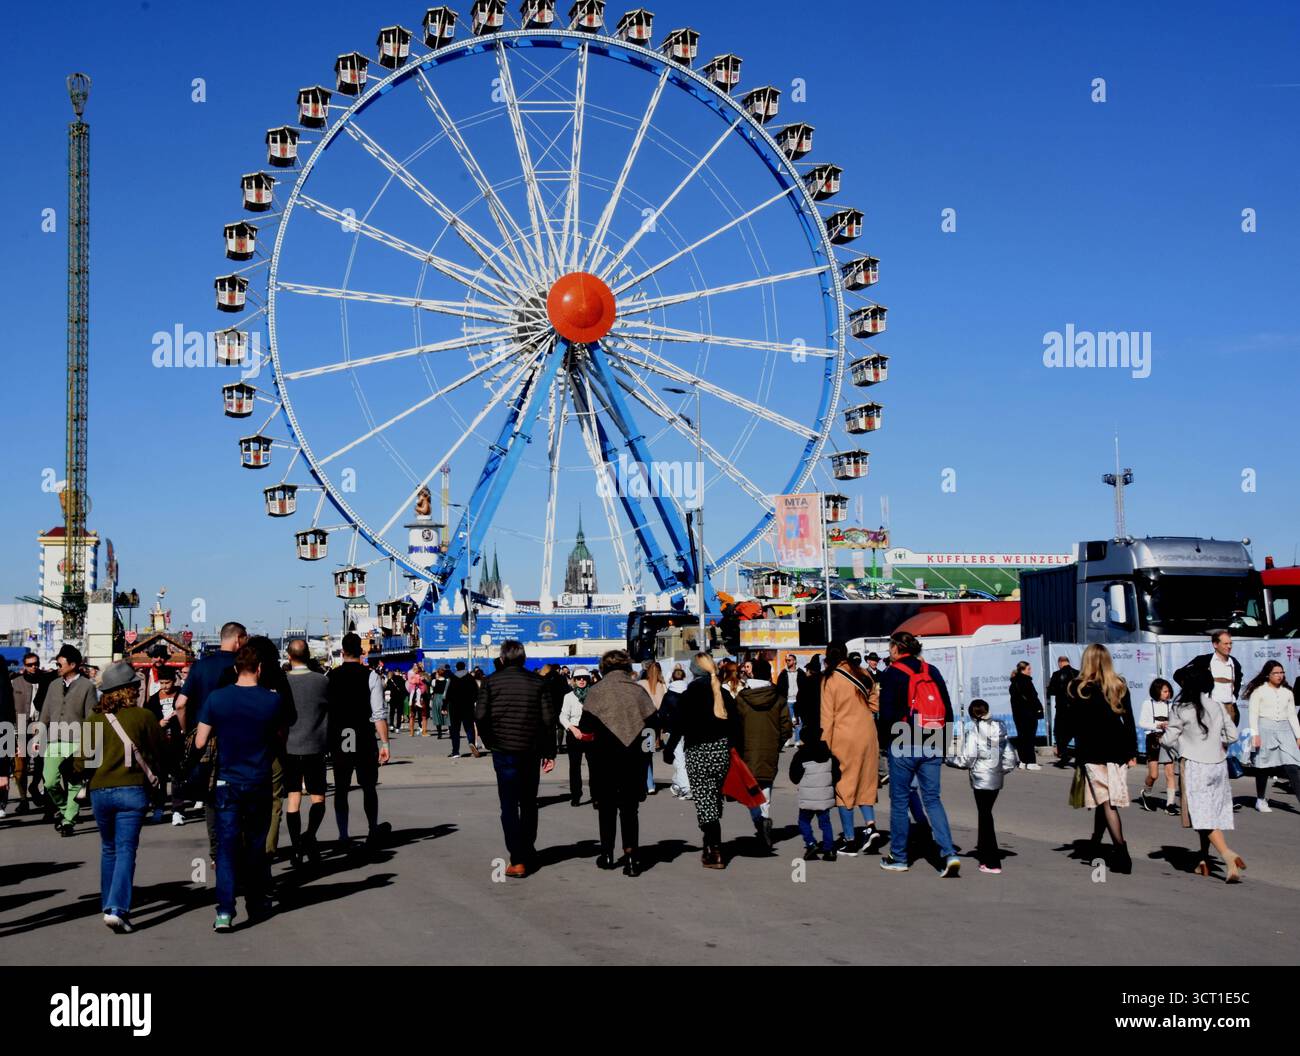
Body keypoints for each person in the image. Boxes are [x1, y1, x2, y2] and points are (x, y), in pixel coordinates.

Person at [195, 643, 292, 931]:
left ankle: (225, 911)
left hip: (227, 780)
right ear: (260, 669)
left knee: (226, 848)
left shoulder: (217, 699)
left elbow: (200, 742)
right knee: (255, 845)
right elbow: (281, 739)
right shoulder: (272, 701)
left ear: (236, 668)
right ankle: (256, 901)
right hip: (259, 779)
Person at [72, 661, 163, 933]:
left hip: (100, 791)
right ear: (128, 690)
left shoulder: (95, 720)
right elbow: (160, 752)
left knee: (108, 848)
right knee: (125, 849)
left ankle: (106, 902)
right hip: (133, 789)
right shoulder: (143, 717)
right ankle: (117, 908)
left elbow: (82, 763)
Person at [876, 631, 961, 876]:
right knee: (933, 799)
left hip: (904, 738)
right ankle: (948, 853)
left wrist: (885, 744)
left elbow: (887, 713)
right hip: (933, 736)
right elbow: (947, 706)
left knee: (900, 801)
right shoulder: (931, 670)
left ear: (895, 649)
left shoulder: (892, 674)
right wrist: (945, 741)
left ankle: (899, 857)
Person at [476, 640, 556, 878]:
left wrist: (491, 741)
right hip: (530, 750)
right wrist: (548, 752)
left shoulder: (490, 682)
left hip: (503, 750)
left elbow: (480, 715)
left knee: (509, 805)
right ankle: (528, 848)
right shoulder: (538, 682)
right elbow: (549, 721)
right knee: (530, 802)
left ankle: (518, 858)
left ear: (502, 658)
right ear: (523, 658)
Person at [1057, 643, 1138, 874]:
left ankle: (1121, 851)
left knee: (1106, 801)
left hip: (1092, 749)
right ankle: (1096, 842)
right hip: (1117, 748)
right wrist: (1132, 751)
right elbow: (1129, 720)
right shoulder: (1118, 685)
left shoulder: (1079, 687)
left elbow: (1069, 719)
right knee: (1106, 800)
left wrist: (1062, 743)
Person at [578, 649, 659, 876]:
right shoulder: (638, 691)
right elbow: (652, 725)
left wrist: (591, 750)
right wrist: (646, 755)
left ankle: (607, 854)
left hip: (603, 759)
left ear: (603, 668)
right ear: (627, 667)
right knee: (629, 810)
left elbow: (585, 728)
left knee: (606, 809)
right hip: (633, 759)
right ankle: (632, 857)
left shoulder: (596, 691)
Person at [1163, 667, 1245, 882]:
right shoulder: (1217, 705)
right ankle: (1203, 859)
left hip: (1194, 765)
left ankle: (1228, 855)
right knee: (1209, 813)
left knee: (1201, 816)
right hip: (1218, 765)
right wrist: (1218, 744)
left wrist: (1163, 739)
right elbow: (1233, 735)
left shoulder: (1180, 708)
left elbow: (1169, 739)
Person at [175, 621, 247, 859]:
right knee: (238, 794)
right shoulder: (243, 667)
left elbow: (180, 704)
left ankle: (217, 851)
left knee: (211, 796)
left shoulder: (200, 666)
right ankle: (238, 848)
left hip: (204, 740)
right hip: (238, 741)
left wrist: (188, 732)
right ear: (239, 639)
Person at [664, 653, 736, 869]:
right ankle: (709, 841)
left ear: (693, 672)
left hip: (698, 753)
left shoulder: (689, 695)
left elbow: (678, 726)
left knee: (704, 801)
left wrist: (668, 750)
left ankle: (715, 850)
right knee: (713, 798)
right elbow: (736, 724)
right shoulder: (723, 693)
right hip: (721, 752)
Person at [326, 633, 392, 851]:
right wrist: (385, 744)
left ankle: (343, 834)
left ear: (342, 651)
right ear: (361, 652)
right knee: (368, 786)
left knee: (342, 788)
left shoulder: (331, 677)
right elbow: (378, 713)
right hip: (363, 736)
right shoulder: (371, 676)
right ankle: (372, 828)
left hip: (341, 737)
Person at [819, 642, 884, 856]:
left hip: (844, 736)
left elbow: (827, 717)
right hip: (868, 732)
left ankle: (849, 839)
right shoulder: (863, 672)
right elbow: (875, 703)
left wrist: (824, 746)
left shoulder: (830, 679)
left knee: (843, 786)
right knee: (866, 783)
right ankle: (871, 826)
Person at [734, 657, 792, 853]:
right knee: (765, 787)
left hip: (747, 750)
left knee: (750, 790)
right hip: (770, 750)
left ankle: (760, 821)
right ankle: (764, 820)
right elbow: (786, 728)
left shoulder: (742, 698)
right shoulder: (778, 698)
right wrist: (777, 743)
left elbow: (735, 724)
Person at [42, 644, 98, 835]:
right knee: (49, 781)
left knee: (74, 783)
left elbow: (92, 716)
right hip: (54, 740)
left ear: (73, 664)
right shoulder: (53, 685)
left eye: (60, 664)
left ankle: (69, 821)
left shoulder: (87, 687)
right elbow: (45, 714)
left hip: (77, 740)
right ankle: (65, 810)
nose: (57, 667)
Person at [954, 699, 1015, 873]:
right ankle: (984, 853)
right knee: (985, 814)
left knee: (985, 816)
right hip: (995, 778)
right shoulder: (1000, 727)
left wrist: (948, 760)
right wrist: (1000, 770)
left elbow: (967, 758)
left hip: (981, 779)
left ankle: (992, 860)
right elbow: (1010, 756)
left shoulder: (974, 731)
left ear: (972, 715)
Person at [284, 639, 329, 867]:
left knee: (293, 798)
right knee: (318, 797)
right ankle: (310, 835)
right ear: (309, 654)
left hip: (290, 748)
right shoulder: (322, 681)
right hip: (316, 746)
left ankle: (295, 847)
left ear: (288, 655)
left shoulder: (283, 682)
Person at [1245, 660, 1300, 812]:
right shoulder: (1259, 691)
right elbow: (1253, 714)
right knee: (1263, 767)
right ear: (1268, 675)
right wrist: (1255, 734)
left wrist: (1298, 736)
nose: (1279, 675)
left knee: (1293, 766)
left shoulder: (1288, 693)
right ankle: (1261, 799)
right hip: (1265, 728)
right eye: (1276, 673)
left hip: (1285, 730)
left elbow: (1292, 715)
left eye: (1281, 672)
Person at [8, 653, 51, 815]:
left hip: (41, 727)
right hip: (20, 727)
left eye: (35, 664)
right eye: (29, 664)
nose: (33, 667)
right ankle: (23, 799)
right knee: (21, 765)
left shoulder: (46, 680)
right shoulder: (15, 681)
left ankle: (38, 789)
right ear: (24, 665)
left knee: (43, 763)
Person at [143, 666, 186, 825]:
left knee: (177, 778)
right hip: (159, 745)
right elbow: (147, 722)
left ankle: (178, 810)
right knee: (159, 779)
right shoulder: (153, 700)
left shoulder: (182, 695)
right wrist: (159, 724)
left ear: (174, 681)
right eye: (161, 683)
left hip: (177, 743)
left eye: (167, 683)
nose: (164, 686)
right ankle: (159, 809)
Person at [1174, 630, 1243, 725]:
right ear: (1215, 644)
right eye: (1225, 644)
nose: (1229, 646)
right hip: (1209, 709)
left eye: (1230, 643)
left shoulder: (1234, 662)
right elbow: (1178, 675)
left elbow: (1238, 682)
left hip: (1229, 709)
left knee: (1230, 738)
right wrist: (1194, 692)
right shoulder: (1203, 660)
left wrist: (1234, 697)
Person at [789, 734, 839, 861]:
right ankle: (829, 850)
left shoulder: (801, 755)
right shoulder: (829, 755)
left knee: (804, 821)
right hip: (824, 796)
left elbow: (794, 777)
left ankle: (811, 843)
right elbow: (837, 775)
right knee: (825, 823)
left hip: (808, 797)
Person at [1137, 677, 1180, 815]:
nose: (1168, 694)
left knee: (1170, 772)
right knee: (1154, 774)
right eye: (1165, 691)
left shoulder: (1171, 705)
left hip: (1168, 740)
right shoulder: (1148, 704)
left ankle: (1170, 804)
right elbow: (1142, 723)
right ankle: (1146, 792)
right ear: (1157, 691)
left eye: (1168, 691)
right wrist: (1158, 725)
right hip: (1153, 739)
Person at [560, 667, 591, 806]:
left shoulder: (593, 695)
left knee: (595, 765)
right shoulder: (569, 696)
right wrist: (572, 729)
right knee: (574, 766)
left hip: (591, 732)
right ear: (574, 680)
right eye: (579, 678)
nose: (582, 680)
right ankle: (576, 795)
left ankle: (596, 794)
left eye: (584, 677)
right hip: (574, 732)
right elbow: (563, 716)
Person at [638, 660, 667, 794]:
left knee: (643, 754)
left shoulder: (641, 684)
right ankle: (649, 783)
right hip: (656, 722)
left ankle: (647, 782)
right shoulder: (662, 685)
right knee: (648, 753)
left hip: (644, 722)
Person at [662, 666, 691, 799]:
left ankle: (686, 787)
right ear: (684, 677)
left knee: (678, 759)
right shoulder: (690, 693)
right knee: (684, 759)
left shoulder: (668, 695)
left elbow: (662, 714)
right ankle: (678, 784)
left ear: (672, 678)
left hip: (672, 730)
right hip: (688, 729)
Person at [1009, 660, 1044, 770]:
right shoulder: (1026, 681)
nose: (1030, 671)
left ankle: (1023, 761)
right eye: (1029, 669)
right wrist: (1037, 709)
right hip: (1029, 714)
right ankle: (1031, 762)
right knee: (1029, 738)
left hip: (1018, 715)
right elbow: (1033, 698)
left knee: (1022, 737)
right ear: (1022, 670)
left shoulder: (1013, 683)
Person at [1046, 655, 1079, 767]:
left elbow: (1051, 691)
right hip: (1076, 709)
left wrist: (1050, 688)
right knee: (1076, 733)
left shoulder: (1056, 675)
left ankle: (1064, 755)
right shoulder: (1077, 673)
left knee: (1059, 733)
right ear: (1068, 662)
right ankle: (1079, 759)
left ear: (1060, 663)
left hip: (1062, 709)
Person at [445, 662, 481, 759]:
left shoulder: (452, 678)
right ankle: (471, 743)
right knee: (469, 728)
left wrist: (444, 707)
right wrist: (473, 701)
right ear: (464, 667)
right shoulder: (470, 678)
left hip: (454, 708)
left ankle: (455, 751)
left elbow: (447, 694)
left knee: (455, 730)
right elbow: (477, 692)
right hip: (468, 707)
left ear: (456, 668)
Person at [775, 653, 806, 748]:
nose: (787, 662)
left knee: (798, 721)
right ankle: (788, 739)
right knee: (788, 721)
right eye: (786, 660)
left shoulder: (801, 673)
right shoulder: (783, 673)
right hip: (788, 700)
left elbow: (805, 687)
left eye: (789, 660)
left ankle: (797, 740)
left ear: (795, 661)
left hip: (798, 701)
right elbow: (779, 687)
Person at [385, 667, 408, 734]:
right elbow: (404, 690)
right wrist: (404, 697)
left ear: (394, 672)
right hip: (400, 699)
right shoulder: (402, 680)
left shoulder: (391, 679)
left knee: (392, 713)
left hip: (393, 698)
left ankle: (391, 725)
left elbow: (387, 688)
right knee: (399, 713)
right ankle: (397, 727)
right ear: (399, 672)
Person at [430, 666, 448, 738]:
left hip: (437, 698)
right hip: (444, 697)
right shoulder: (446, 681)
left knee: (437, 714)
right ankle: (450, 730)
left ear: (438, 673)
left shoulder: (434, 681)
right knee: (447, 715)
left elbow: (431, 687)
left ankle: (439, 733)